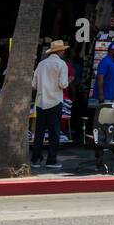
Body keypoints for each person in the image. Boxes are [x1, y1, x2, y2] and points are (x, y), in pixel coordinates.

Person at [31, 40, 69, 169]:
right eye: (63, 49)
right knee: (54, 132)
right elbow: (63, 84)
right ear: (59, 51)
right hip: (55, 101)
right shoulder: (61, 64)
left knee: (39, 132)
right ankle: (51, 160)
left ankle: (35, 159)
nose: (64, 51)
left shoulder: (41, 64)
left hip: (41, 102)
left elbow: (34, 85)